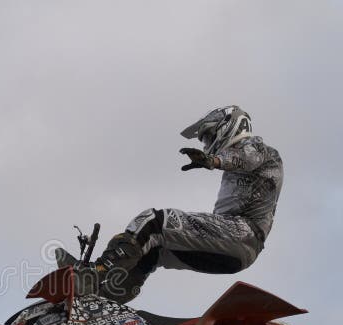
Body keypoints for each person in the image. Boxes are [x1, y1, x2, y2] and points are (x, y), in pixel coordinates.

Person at [58, 105, 283, 303]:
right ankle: (103, 301)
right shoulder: (240, 168)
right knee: (151, 250)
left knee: (153, 221)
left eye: (207, 137)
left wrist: (214, 161)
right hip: (236, 249)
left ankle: (94, 273)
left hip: (242, 235)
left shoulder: (261, 150)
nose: (206, 145)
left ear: (228, 127)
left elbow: (248, 157)